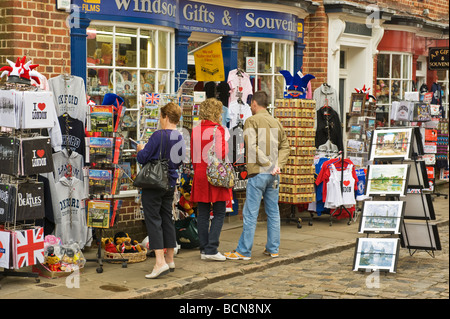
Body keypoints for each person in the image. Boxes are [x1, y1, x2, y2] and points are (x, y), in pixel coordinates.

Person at [224, 91, 290, 260]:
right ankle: (273, 249)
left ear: (254, 104)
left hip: (259, 173)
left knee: (250, 213)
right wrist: (277, 166)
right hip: (274, 175)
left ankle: (243, 251)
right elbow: (286, 147)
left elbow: (252, 147)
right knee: (273, 212)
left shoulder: (251, 121)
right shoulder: (276, 122)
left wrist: (269, 165)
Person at [136, 102, 185, 279]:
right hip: (170, 183)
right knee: (167, 218)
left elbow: (142, 158)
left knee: (153, 220)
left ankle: (159, 262)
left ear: (165, 116)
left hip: (154, 183)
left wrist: (140, 149)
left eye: (160, 117)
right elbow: (180, 160)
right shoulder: (179, 137)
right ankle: (170, 258)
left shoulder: (158, 135)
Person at [190, 98, 232, 261]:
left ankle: (203, 248)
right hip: (215, 173)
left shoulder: (195, 130)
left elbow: (193, 155)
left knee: (203, 213)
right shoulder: (218, 129)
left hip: (200, 173)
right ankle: (212, 249)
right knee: (220, 212)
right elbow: (222, 154)